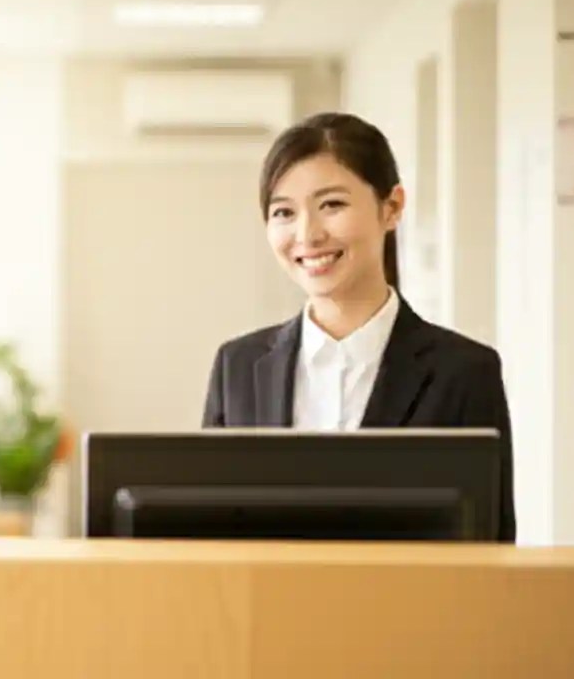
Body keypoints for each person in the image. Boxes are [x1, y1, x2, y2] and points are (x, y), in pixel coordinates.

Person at [200, 112, 516, 542]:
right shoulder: (237, 366)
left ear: (392, 208)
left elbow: (487, 547)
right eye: (283, 212)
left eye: (331, 205)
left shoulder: (464, 372)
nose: (307, 235)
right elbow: (208, 534)